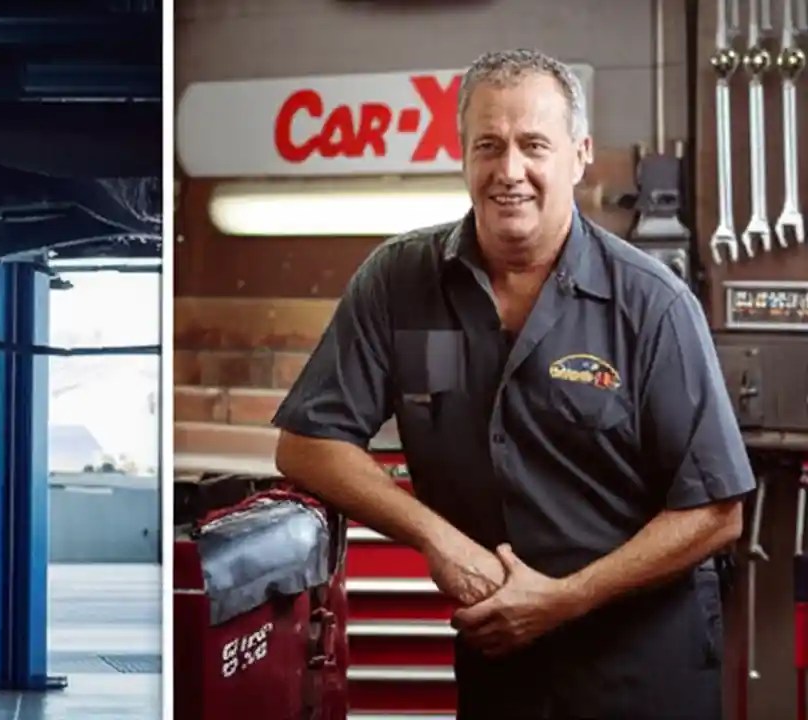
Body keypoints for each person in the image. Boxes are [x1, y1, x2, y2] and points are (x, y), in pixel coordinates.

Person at [271, 48, 754, 719]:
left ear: (579, 155)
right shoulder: (398, 283)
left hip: (641, 669)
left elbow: (717, 512)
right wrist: (439, 539)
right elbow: (307, 441)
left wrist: (563, 600)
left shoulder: (652, 305)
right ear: (462, 155)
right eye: (488, 145)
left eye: (534, 145)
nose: (509, 171)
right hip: (501, 664)